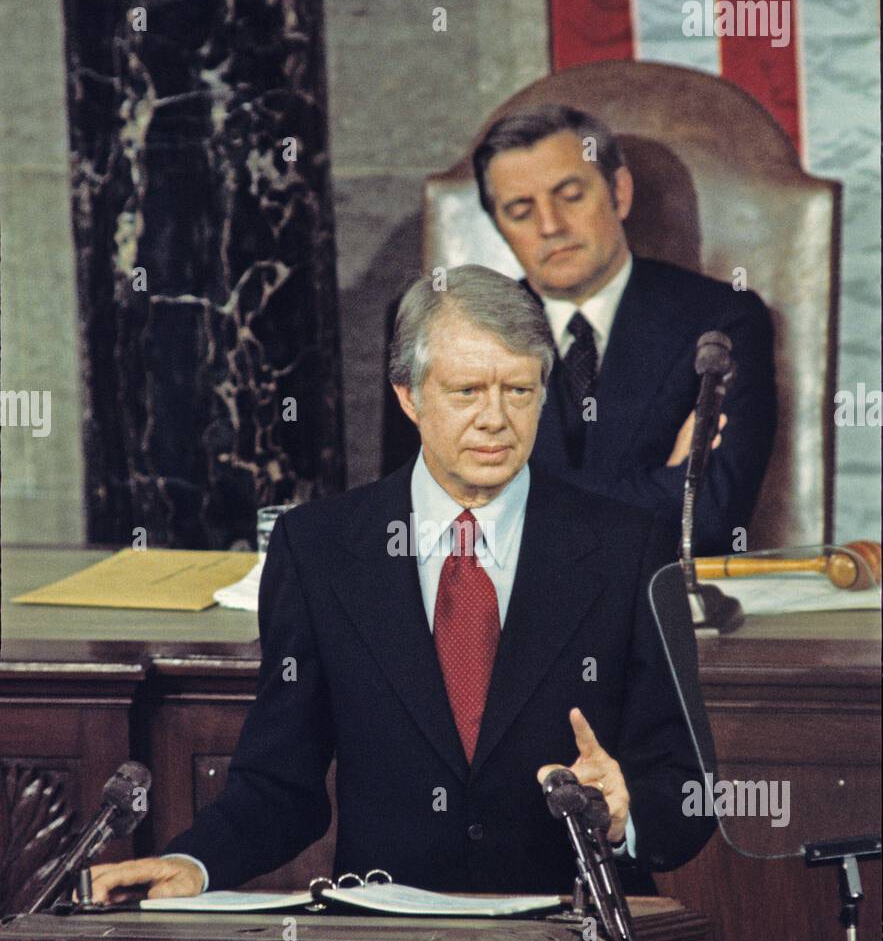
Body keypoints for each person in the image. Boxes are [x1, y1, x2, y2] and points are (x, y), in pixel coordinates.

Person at [88, 266, 714, 906]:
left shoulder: (629, 548)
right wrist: (195, 863)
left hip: (572, 938)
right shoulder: (319, 549)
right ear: (408, 395)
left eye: (520, 390)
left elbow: (688, 791)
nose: (496, 419)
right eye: (467, 391)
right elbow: (280, 785)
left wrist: (622, 814)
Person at [470, 103, 778, 556]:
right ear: (499, 226)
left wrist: (513, 499)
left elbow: (707, 519)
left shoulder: (722, 321)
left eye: (571, 195)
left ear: (619, 192)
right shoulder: (468, 336)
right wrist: (662, 488)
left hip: (662, 614)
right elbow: (439, 521)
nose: (550, 226)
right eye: (520, 210)